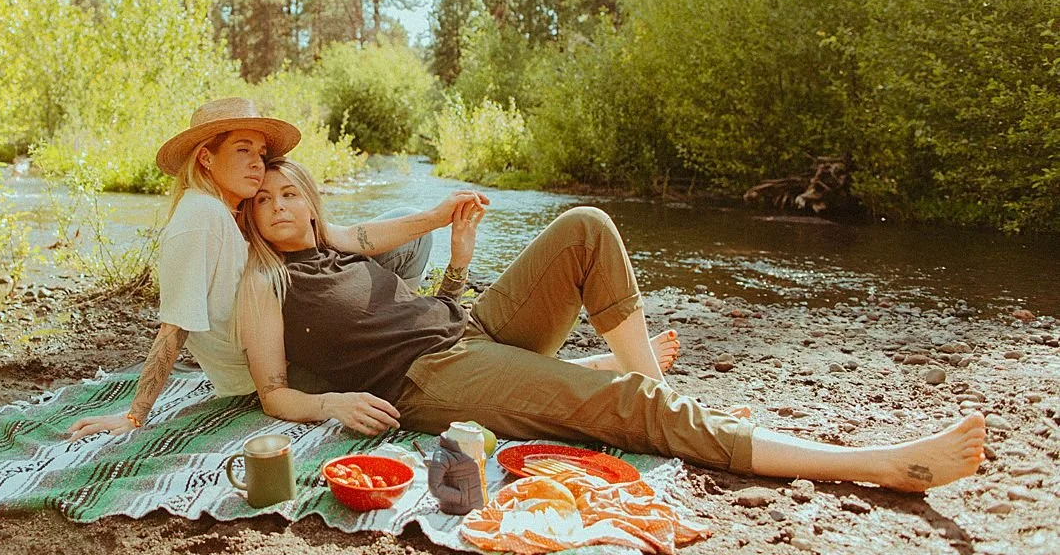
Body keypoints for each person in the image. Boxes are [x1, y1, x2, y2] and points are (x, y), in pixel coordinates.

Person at [237, 158, 987, 493]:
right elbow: (274, 391)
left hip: (470, 329)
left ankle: (642, 379)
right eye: (263, 198)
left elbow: (398, 270)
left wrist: (457, 258)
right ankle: (884, 463)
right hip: (435, 379)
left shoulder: (339, 244)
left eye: (289, 193)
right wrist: (330, 404)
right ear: (252, 217)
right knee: (632, 413)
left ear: (309, 202)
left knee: (586, 226)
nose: (279, 205)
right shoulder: (262, 280)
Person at [66, 98, 486, 438]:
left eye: (261, 153)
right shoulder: (199, 219)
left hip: (286, 317)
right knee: (395, 241)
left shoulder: (237, 205)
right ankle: (388, 349)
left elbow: (342, 235)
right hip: (271, 364)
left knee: (407, 231)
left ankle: (395, 328)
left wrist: (437, 217)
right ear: (207, 159)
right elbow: (174, 328)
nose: (256, 163)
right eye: (242, 151)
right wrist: (135, 416)